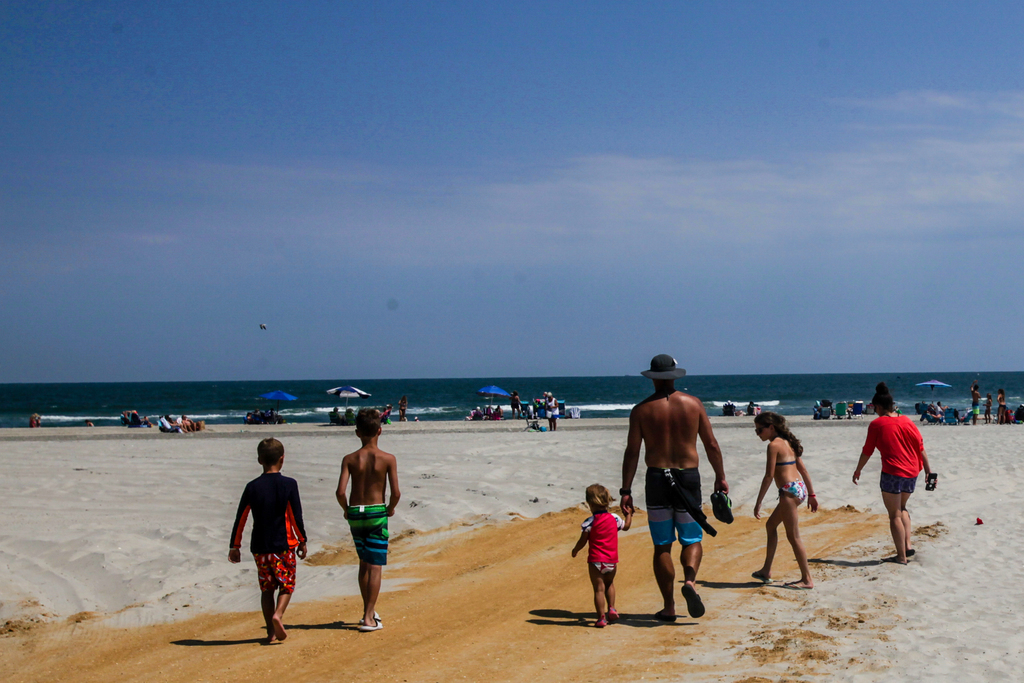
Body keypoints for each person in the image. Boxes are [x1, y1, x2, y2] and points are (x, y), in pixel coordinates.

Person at [621, 354, 728, 621]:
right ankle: (690, 582)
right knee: (691, 538)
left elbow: (632, 452)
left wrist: (626, 489)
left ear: (652, 378)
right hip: (688, 477)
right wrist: (720, 476)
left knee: (662, 545)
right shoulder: (693, 404)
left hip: (657, 478)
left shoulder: (641, 410)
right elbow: (711, 444)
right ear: (674, 375)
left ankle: (669, 606)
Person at [229, 438, 308, 644]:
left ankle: (270, 633)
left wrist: (234, 546)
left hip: (260, 546)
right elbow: (295, 516)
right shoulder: (289, 484)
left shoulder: (252, 487)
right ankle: (278, 615)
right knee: (286, 584)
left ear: (259, 460)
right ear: (282, 459)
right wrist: (302, 540)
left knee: (267, 588)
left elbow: (241, 517)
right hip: (283, 545)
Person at [853, 382, 933, 564]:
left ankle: (901, 557)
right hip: (912, 471)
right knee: (902, 507)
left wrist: (858, 470)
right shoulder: (906, 421)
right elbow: (920, 447)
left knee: (894, 514)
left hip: (892, 472)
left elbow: (867, 450)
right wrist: (928, 470)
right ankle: (908, 545)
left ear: (879, 407)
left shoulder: (877, 424)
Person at [336, 408, 401, 632]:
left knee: (364, 562)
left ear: (357, 433)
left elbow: (341, 492)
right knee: (375, 566)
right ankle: (368, 617)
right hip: (376, 512)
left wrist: (346, 510)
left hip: (356, 512)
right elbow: (396, 493)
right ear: (380, 431)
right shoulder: (387, 459)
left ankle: (369, 611)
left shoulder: (350, 459)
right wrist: (390, 509)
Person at [751, 412, 817, 589]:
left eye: (760, 430)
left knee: (793, 536)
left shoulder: (773, 446)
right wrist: (811, 495)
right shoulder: (788, 443)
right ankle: (766, 570)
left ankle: (807, 579)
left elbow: (768, 476)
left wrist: (758, 502)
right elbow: (803, 470)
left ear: (771, 427)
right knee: (770, 525)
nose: (758, 434)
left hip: (788, 492)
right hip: (799, 488)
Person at [571, 484, 632, 627]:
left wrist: (575, 550)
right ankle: (612, 608)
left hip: (595, 561)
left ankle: (601, 618)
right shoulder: (615, 518)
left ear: (590, 504)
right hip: (611, 560)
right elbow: (627, 526)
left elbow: (582, 541)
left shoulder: (589, 522)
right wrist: (628, 514)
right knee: (609, 583)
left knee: (598, 589)